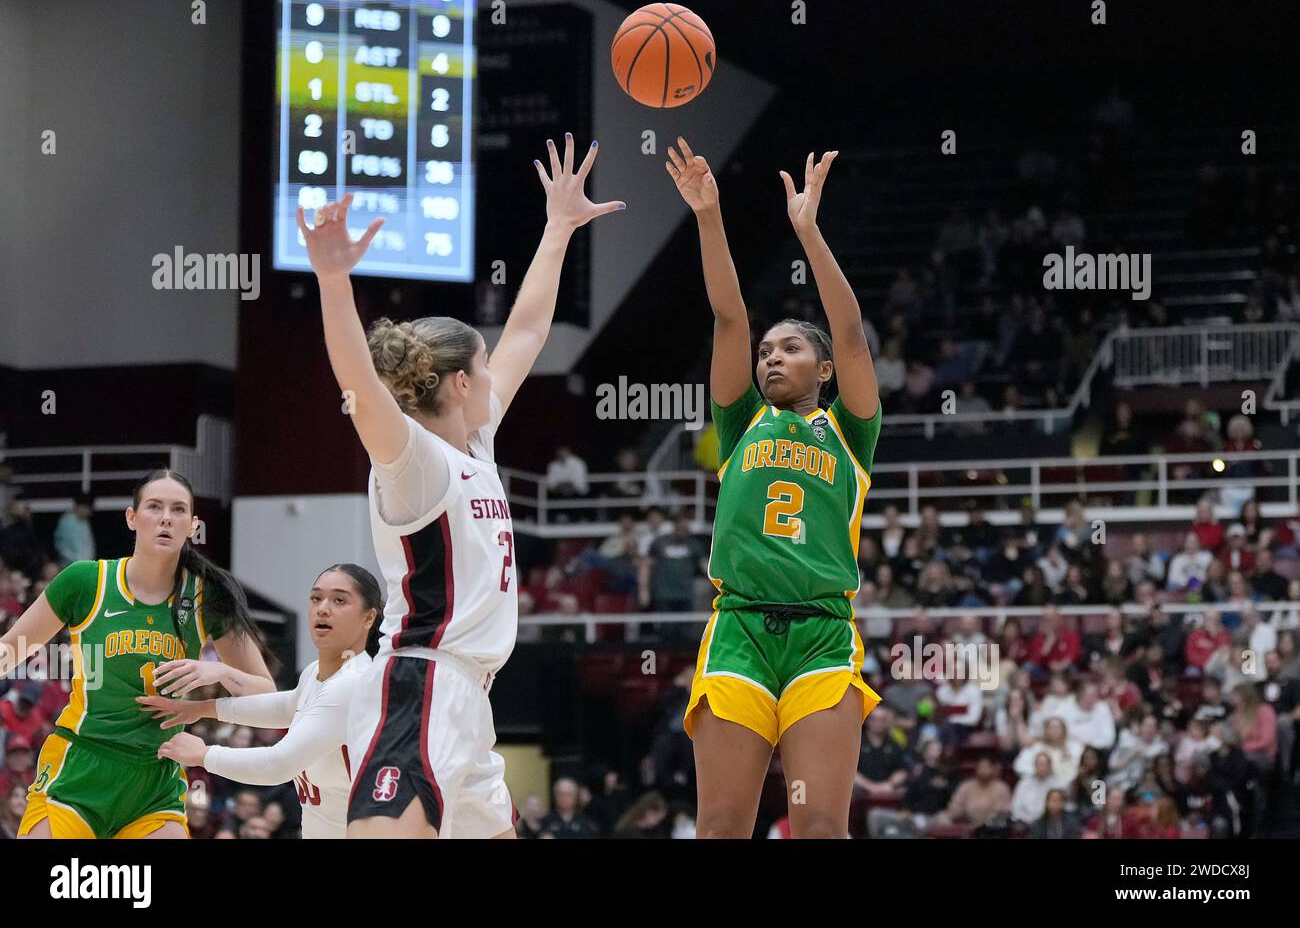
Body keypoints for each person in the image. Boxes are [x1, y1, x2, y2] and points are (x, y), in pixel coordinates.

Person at [297, 135, 622, 840]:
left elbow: (531, 326)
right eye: (486, 361)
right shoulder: (414, 461)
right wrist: (332, 281)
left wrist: (558, 228)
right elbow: (358, 381)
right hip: (419, 688)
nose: (499, 370)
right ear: (463, 382)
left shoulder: (476, 443)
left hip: (471, 701)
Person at [667, 139, 883, 838]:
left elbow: (851, 336)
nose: (771, 356)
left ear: (823, 370)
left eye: (790, 348)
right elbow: (730, 317)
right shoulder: (739, 425)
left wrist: (809, 231)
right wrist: (707, 215)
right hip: (738, 631)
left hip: (823, 637)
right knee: (722, 826)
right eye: (768, 351)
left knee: (819, 825)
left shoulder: (849, 433)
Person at [0, 469, 273, 839]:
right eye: (154, 507)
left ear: (192, 525)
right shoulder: (85, 582)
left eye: (178, 510)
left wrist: (219, 673)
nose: (165, 518)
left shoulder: (206, 598)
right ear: (132, 517)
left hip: (155, 778)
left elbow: (266, 694)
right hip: (80, 766)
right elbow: (10, 651)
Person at [140, 565, 381, 839]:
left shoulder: (352, 683)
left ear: (368, 617)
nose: (323, 608)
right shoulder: (316, 673)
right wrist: (200, 709)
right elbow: (287, 707)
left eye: (339, 600)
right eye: (316, 598)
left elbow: (278, 764)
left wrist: (203, 754)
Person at [53, 493, 96, 566]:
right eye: (87, 508)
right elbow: (62, 548)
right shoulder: (66, 522)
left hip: (86, 566)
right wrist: (78, 563)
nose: (89, 512)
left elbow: (88, 546)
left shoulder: (85, 523)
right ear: (78, 506)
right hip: (70, 566)